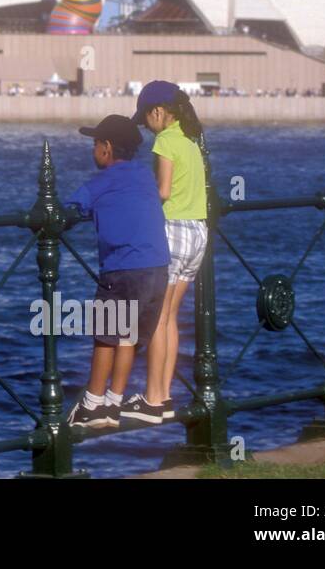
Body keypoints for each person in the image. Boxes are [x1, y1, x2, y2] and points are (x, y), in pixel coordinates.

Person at [64, 115, 170, 428]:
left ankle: (92, 403)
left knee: (104, 337)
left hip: (122, 269)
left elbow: (69, 207)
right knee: (128, 336)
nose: (93, 150)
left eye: (95, 144)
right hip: (157, 267)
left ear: (107, 148)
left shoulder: (101, 182)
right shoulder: (144, 176)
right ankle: (114, 401)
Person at [122, 80, 207, 424]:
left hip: (172, 231)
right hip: (197, 233)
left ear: (159, 112)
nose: (144, 124)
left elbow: (163, 191)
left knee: (157, 317)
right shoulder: (190, 142)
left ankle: (153, 400)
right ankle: (165, 396)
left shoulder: (165, 142)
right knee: (170, 317)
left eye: (145, 117)